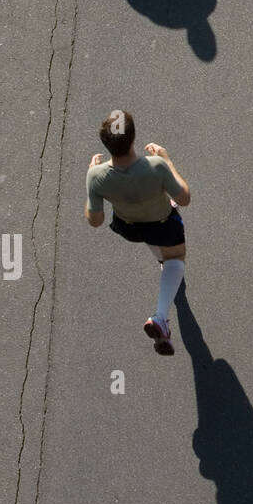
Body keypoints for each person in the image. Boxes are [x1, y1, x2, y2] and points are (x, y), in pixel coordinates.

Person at [85, 110, 192, 356]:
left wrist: (91, 178)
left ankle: (163, 264)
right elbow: (183, 198)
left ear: (106, 144)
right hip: (163, 224)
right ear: (133, 138)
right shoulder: (156, 166)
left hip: (130, 228)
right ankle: (160, 318)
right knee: (176, 259)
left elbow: (95, 220)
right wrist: (167, 160)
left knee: (158, 248)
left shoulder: (96, 175)